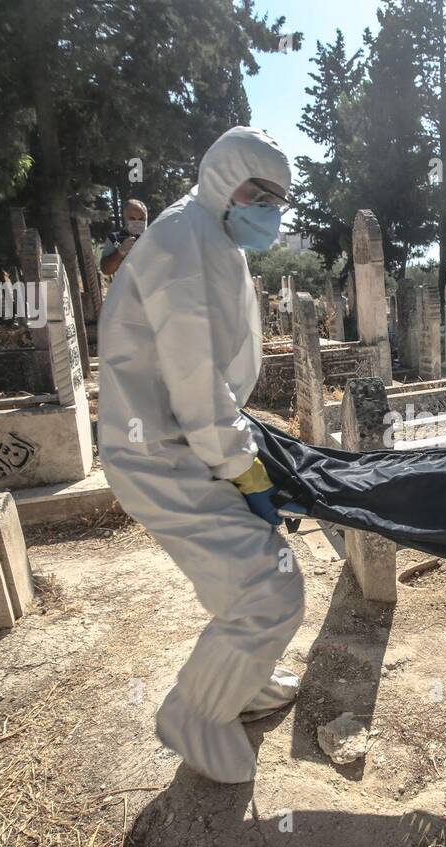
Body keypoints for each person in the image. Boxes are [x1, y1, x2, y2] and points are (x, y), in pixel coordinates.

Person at [98, 127, 304, 784]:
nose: (268, 210)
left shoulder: (212, 237)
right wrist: (242, 466)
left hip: (186, 440)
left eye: (277, 199)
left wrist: (241, 452)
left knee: (245, 572)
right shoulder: (180, 242)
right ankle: (195, 713)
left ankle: (238, 680)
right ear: (223, 180)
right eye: (259, 194)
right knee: (269, 585)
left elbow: (218, 365)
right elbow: (193, 378)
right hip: (158, 451)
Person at [100, 199, 148, 277]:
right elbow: (106, 270)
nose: (137, 222)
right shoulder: (115, 239)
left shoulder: (154, 237)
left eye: (141, 219)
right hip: (126, 287)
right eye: (132, 218)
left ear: (146, 218)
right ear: (125, 218)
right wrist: (120, 252)